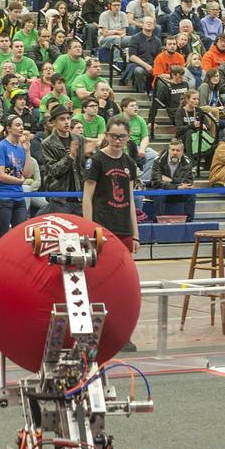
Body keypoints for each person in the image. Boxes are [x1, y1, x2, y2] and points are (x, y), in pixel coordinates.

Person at [82, 115, 138, 352]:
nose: (117, 140)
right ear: (106, 135)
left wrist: (135, 233)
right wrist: (89, 230)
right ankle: (93, 335)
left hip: (124, 228)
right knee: (99, 282)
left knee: (123, 285)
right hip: (102, 229)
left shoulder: (129, 163)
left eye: (122, 137)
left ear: (127, 138)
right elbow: (87, 196)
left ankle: (121, 334)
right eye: (113, 136)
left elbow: (132, 199)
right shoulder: (96, 161)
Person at [0, 114, 33, 241]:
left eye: (22, 125)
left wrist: (27, 151)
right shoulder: (1, 147)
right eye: (17, 125)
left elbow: (27, 173)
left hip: (19, 197)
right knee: (1, 237)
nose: (21, 128)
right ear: (8, 128)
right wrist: (19, 181)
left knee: (20, 237)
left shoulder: (20, 148)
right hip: (3, 197)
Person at [39, 104, 84, 214]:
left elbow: (84, 167)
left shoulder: (80, 139)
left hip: (80, 196)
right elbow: (53, 171)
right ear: (54, 122)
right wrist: (70, 157)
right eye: (62, 119)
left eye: (68, 118)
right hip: (60, 199)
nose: (66, 122)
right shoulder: (47, 143)